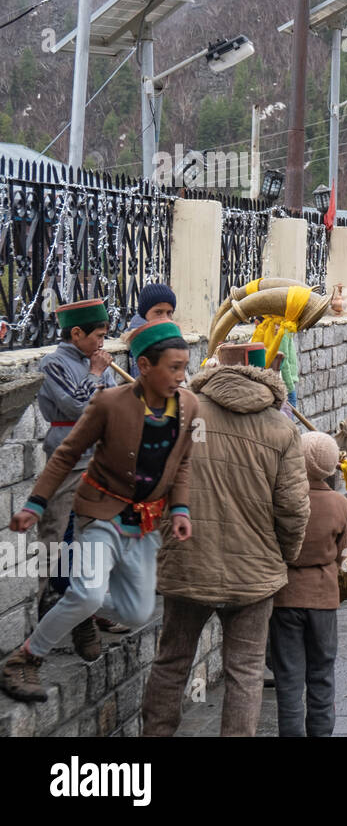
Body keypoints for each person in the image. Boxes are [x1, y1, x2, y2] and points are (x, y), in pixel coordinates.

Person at [2, 320, 195, 703]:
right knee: (89, 595)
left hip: (144, 523)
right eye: (173, 367)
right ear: (144, 366)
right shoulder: (109, 403)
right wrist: (35, 504)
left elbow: (183, 461)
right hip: (100, 514)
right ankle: (23, 659)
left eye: (184, 367)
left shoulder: (189, 406)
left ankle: (69, 600)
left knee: (138, 612)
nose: (181, 376)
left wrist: (181, 509)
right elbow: (66, 453)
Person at [142, 340, 310, 737]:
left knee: (172, 662)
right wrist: (283, 556)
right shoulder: (281, 427)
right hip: (254, 573)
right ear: (264, 371)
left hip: (188, 560)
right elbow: (294, 509)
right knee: (246, 672)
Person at [31, 299, 116, 618]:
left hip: (100, 457)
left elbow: (111, 402)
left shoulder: (101, 363)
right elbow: (77, 409)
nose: (102, 344)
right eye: (98, 336)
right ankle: (39, 607)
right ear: (77, 333)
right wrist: (95, 374)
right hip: (67, 454)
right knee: (56, 530)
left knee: (96, 534)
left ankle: (92, 609)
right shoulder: (53, 363)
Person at [268, 431, 347, 737]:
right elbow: (343, 554)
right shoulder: (339, 503)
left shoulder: (282, 500)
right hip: (324, 599)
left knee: (288, 678)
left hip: (285, 597)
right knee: (322, 674)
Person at [126, 283, 177, 378]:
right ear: (144, 313)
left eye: (169, 313)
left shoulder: (170, 338)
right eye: (158, 312)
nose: (164, 318)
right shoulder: (144, 343)